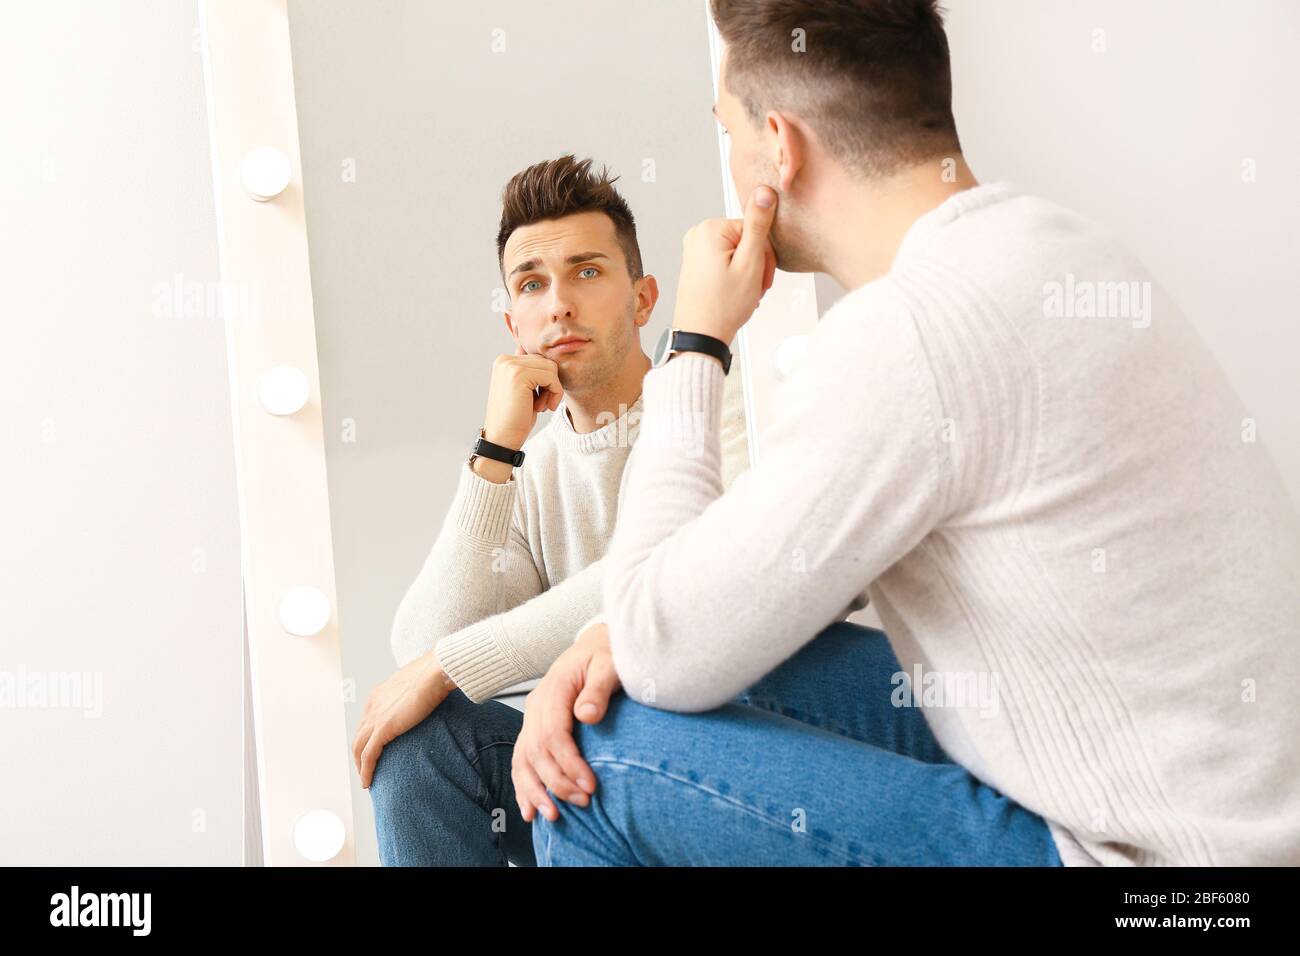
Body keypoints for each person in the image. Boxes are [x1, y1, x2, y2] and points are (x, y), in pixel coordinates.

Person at [514, 0, 1300, 866]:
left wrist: (696, 344)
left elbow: (663, 643)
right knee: (703, 668)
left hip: (1176, 883)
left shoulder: (912, 331)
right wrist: (608, 639)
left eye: (728, 131)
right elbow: (737, 595)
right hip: (1224, 820)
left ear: (780, 144)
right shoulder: (1058, 246)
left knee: (593, 761)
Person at [354, 154, 751, 865]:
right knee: (421, 745)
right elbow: (424, 643)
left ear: (644, 298)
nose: (559, 303)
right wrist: (495, 453)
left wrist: (448, 667)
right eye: (533, 284)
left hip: (717, 764)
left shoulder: (711, 394)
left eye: (588, 271)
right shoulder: (530, 467)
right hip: (577, 769)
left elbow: (656, 572)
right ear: (514, 323)